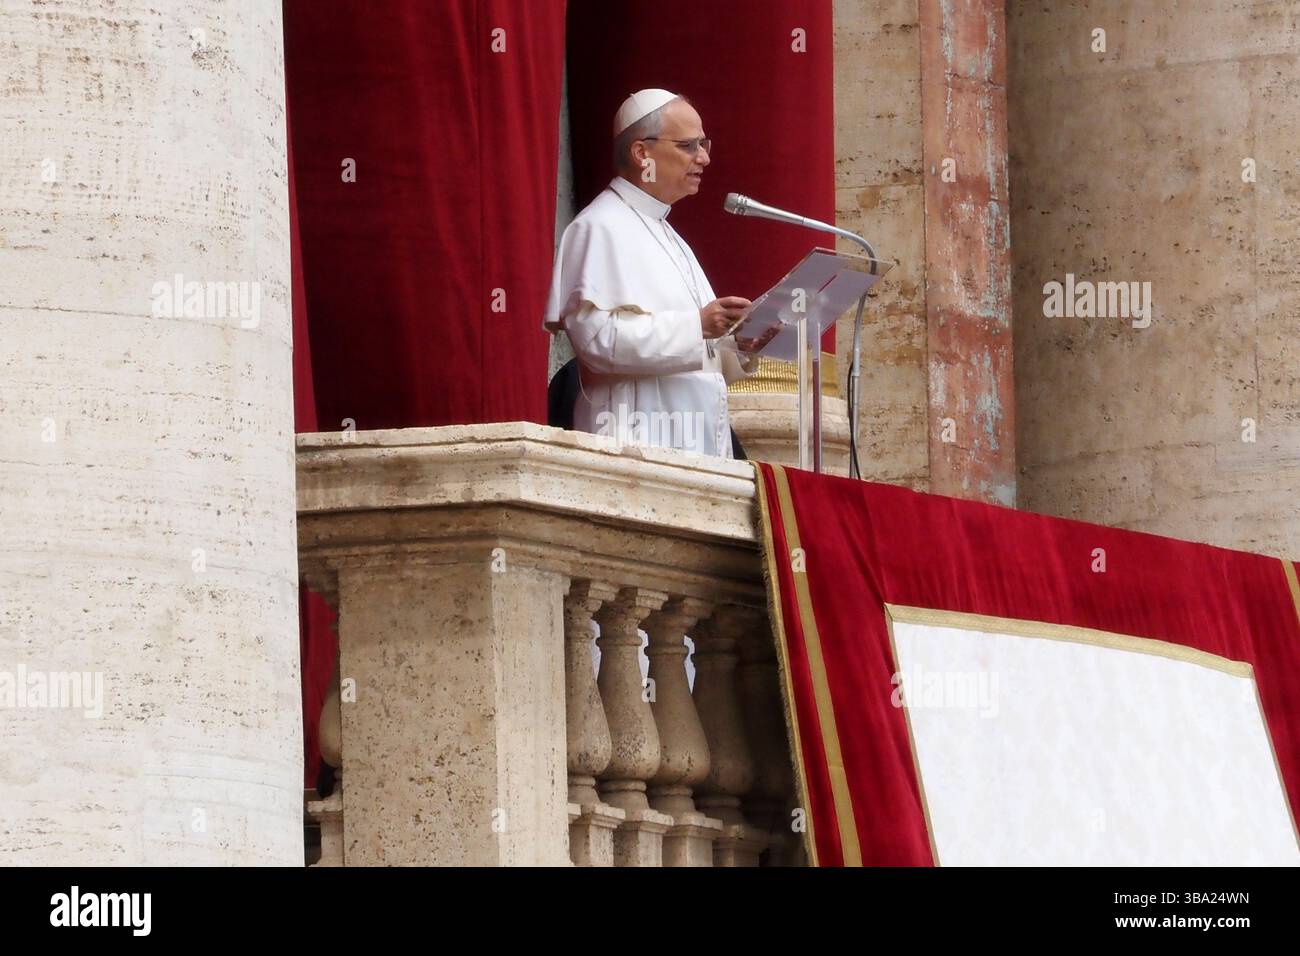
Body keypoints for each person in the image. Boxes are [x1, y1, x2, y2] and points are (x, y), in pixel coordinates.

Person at [543, 88, 773, 457]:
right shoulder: (599, 227)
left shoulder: (671, 237)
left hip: (698, 450)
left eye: (704, 144)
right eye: (689, 145)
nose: (705, 157)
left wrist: (737, 345)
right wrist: (697, 325)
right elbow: (596, 342)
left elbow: (699, 357)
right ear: (641, 153)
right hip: (637, 446)